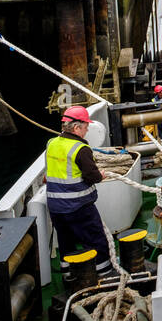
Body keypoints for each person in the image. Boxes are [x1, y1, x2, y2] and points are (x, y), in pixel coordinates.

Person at [46, 106, 114, 275]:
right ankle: (104, 272)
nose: (87, 131)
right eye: (85, 127)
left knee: (66, 241)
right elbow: (92, 176)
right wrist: (101, 175)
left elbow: (50, 173)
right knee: (94, 239)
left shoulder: (51, 143)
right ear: (76, 128)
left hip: (55, 207)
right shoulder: (80, 149)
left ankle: (68, 274)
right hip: (78, 207)